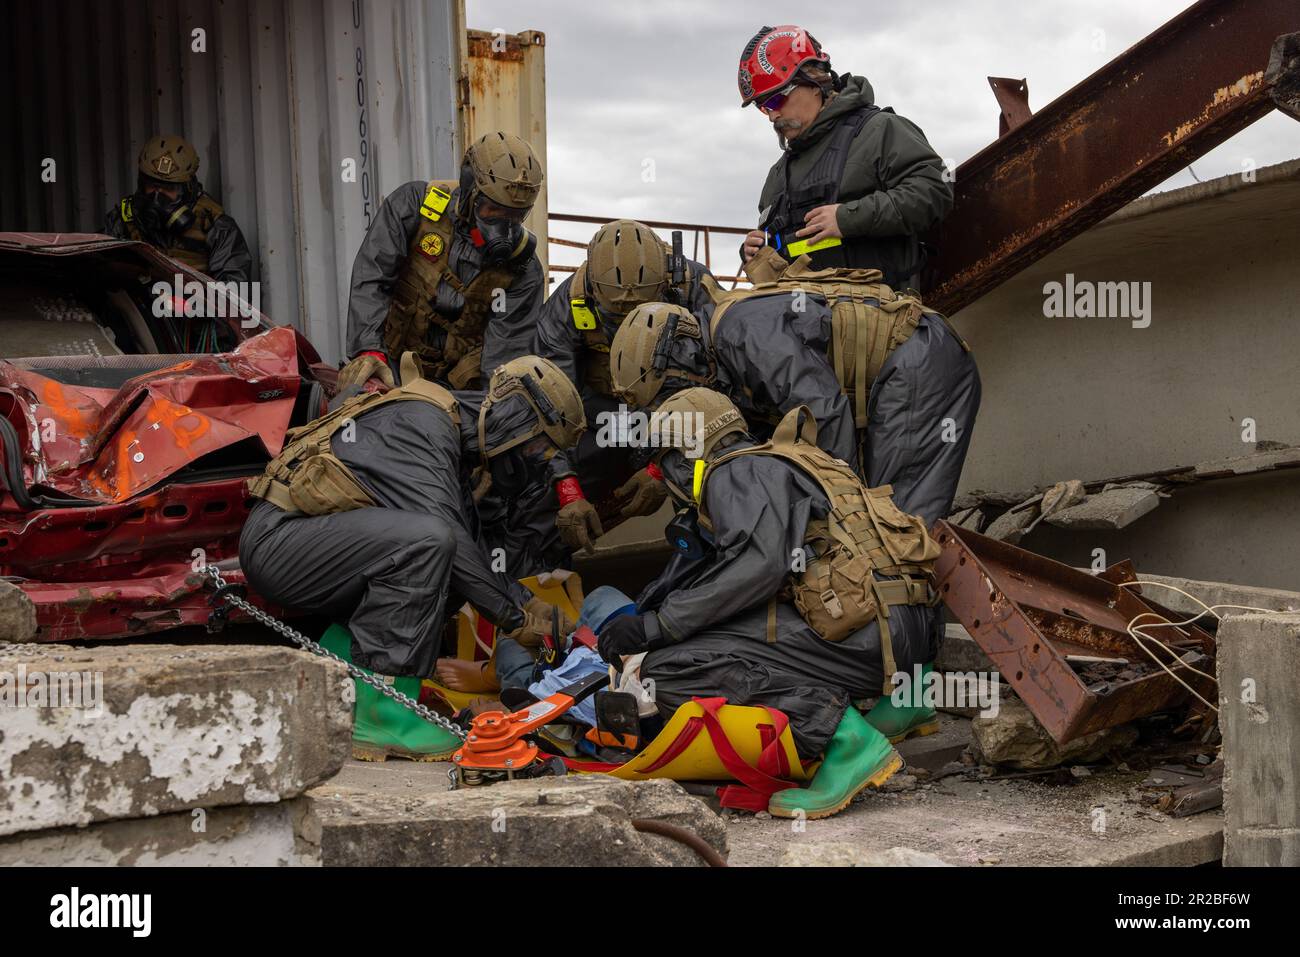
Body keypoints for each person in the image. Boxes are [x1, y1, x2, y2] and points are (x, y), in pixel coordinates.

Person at [595, 388, 941, 817]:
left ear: (683, 458)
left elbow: (759, 567)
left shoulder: (734, 472)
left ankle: (846, 741)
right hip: (905, 637)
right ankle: (906, 704)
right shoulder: (793, 459)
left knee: (668, 668)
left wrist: (658, 627)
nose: (667, 480)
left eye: (665, 464)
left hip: (869, 640)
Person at [239, 353, 584, 759]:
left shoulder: (449, 430)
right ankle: (380, 716)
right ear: (514, 419)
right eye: (538, 446)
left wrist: (525, 602)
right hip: (279, 544)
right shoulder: (424, 421)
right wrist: (515, 618)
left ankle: (340, 686)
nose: (534, 461)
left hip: (305, 545)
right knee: (429, 544)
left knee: (444, 566)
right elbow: (445, 534)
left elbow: (467, 549)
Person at [530, 219, 722, 558]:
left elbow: (722, 389)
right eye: (617, 317)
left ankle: (710, 564)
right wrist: (568, 489)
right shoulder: (567, 304)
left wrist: (661, 470)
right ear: (592, 288)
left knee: (714, 475)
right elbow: (551, 403)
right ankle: (550, 569)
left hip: (678, 408)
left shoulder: (694, 289)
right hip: (605, 409)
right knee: (541, 492)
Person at [738, 25, 952, 289]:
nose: (772, 115)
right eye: (762, 107)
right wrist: (757, 251)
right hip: (801, 319)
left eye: (775, 101)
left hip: (876, 315)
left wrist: (848, 218)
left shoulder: (879, 130)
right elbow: (789, 247)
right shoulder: (778, 175)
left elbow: (934, 190)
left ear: (813, 81)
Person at [338, 131, 545, 393]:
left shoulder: (522, 269)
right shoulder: (413, 206)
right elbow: (373, 280)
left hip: (460, 394)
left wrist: (491, 409)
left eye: (515, 216)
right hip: (388, 372)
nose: (502, 229)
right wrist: (369, 352)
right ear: (470, 188)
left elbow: (504, 356)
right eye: (492, 211)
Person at [105, 135, 252, 283]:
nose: (157, 198)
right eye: (152, 185)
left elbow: (233, 294)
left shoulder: (216, 227)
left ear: (188, 189)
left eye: (169, 188)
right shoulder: (123, 220)